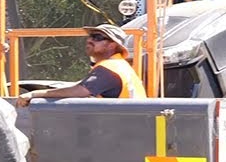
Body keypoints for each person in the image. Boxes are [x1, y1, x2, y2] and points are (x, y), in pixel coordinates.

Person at [17, 24, 146, 105]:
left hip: (122, 132)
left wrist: (34, 94)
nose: (90, 40)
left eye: (97, 38)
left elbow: (79, 91)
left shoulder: (111, 68)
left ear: (112, 45)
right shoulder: (118, 65)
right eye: (90, 37)